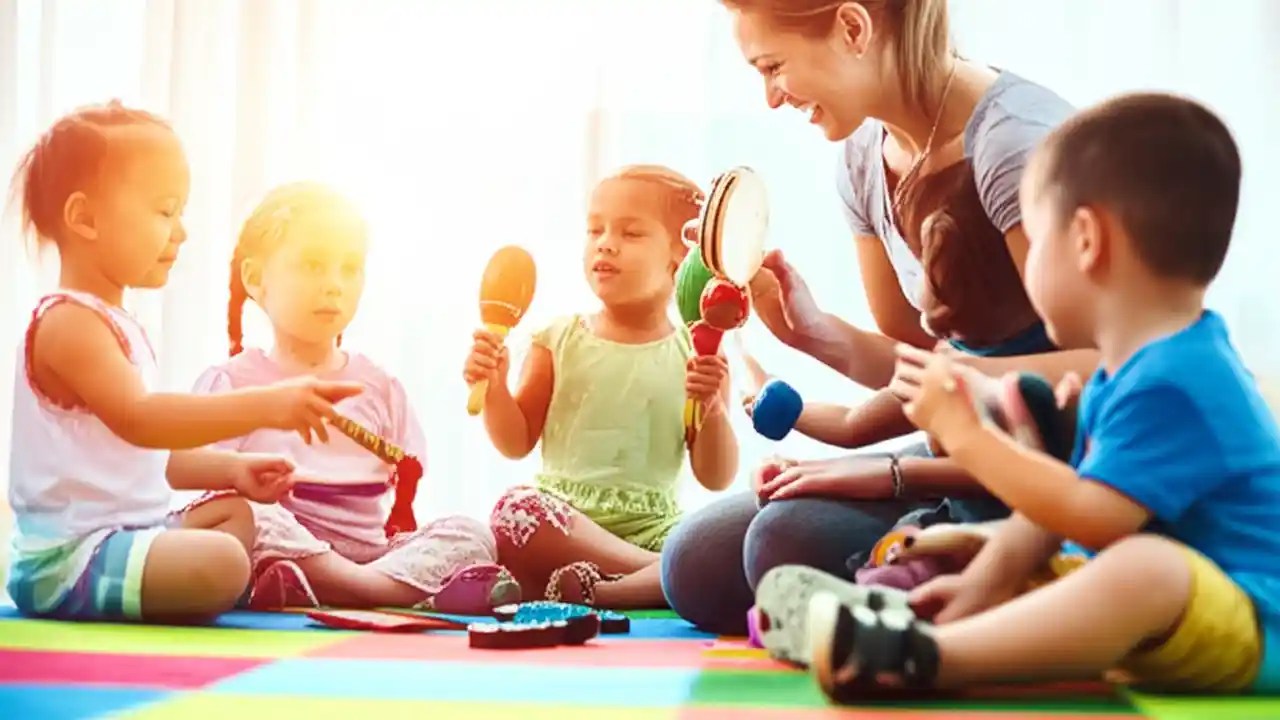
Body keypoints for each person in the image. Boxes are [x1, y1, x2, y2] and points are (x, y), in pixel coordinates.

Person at [784, 92, 1280, 699]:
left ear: (1087, 240)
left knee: (1142, 569)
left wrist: (968, 437)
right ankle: (929, 620)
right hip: (1172, 613)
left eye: (1036, 239)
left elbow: (1092, 516)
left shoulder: (1179, 380)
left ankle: (927, 656)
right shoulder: (1133, 372)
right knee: (975, 546)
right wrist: (983, 581)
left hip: (1251, 623)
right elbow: (1054, 517)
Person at [660, 0, 1097, 636]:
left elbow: (1112, 364)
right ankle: (917, 559)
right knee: (694, 562)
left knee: (777, 542)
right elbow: (917, 358)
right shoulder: (865, 152)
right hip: (957, 441)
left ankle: (941, 574)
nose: (772, 99)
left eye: (773, 66)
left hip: (1061, 459)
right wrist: (811, 332)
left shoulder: (1016, 147)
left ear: (853, 27)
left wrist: (889, 470)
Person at [5, 101, 362, 623]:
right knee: (221, 563)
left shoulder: (115, 324)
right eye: (165, 211)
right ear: (85, 218)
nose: (181, 231)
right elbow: (143, 419)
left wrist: (234, 470)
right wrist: (267, 406)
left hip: (125, 538)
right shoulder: (68, 324)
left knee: (237, 515)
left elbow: (145, 454)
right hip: (69, 559)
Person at [193, 182, 519, 613]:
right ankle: (383, 595)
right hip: (285, 544)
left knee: (471, 533)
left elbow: (405, 481)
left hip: (371, 554)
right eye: (312, 265)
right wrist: (244, 475)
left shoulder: (380, 385)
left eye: (349, 268)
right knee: (249, 518)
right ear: (255, 279)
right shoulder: (230, 382)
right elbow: (204, 491)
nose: (333, 285)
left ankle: (350, 589)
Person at [466, 165, 739, 608]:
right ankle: (661, 577)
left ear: (679, 257)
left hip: (655, 530)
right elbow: (516, 441)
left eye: (631, 233)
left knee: (721, 542)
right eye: (595, 230)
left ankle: (608, 588)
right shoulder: (556, 340)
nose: (605, 243)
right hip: (560, 527)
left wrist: (714, 410)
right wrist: (495, 389)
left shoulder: (699, 354)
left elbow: (716, 475)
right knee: (515, 511)